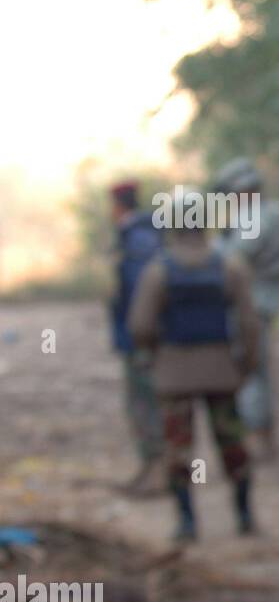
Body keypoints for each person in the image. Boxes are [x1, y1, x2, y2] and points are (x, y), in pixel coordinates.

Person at [127, 187, 261, 542]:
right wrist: (246, 365)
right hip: (222, 371)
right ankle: (244, 515)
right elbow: (249, 324)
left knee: (178, 450)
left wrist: (156, 354)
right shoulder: (230, 266)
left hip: (174, 374)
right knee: (233, 444)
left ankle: (187, 523)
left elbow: (140, 325)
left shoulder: (158, 271)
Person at [211, 157, 279, 459]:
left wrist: (213, 248)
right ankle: (261, 434)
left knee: (250, 371)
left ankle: (259, 436)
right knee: (255, 370)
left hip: (253, 303)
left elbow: (234, 257)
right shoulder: (270, 213)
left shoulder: (258, 217)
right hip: (259, 301)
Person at [107, 181, 165, 495]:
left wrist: (140, 334)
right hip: (137, 337)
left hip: (141, 339)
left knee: (145, 403)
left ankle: (158, 471)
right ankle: (151, 468)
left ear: (117, 206)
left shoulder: (138, 238)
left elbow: (142, 293)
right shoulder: (138, 235)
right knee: (141, 403)